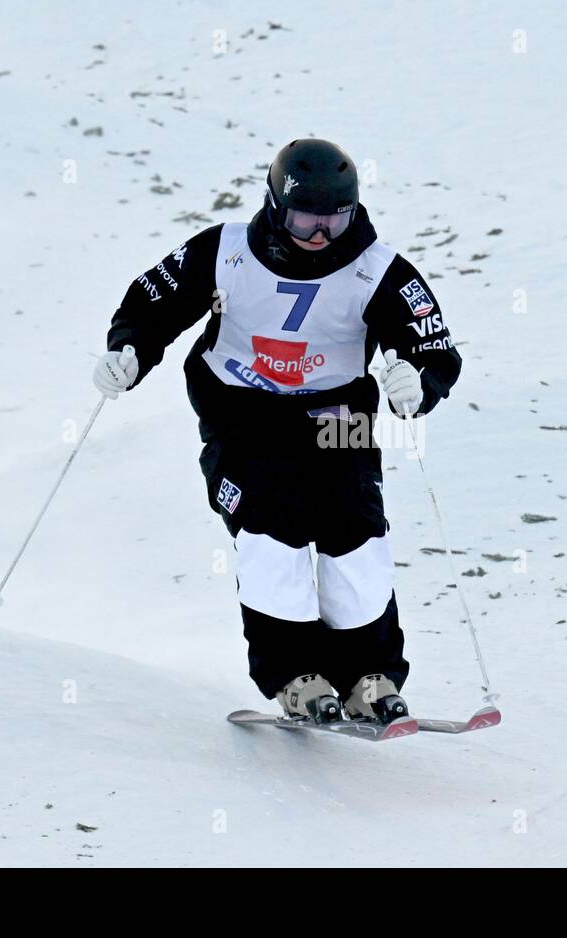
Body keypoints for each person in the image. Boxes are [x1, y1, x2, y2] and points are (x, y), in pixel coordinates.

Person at [93, 138, 461, 724]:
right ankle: (296, 674)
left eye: (335, 220)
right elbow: (153, 300)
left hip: (335, 413)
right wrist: (130, 351)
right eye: (305, 219)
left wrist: (418, 380)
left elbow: (431, 344)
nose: (320, 236)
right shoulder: (226, 250)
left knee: (354, 525)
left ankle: (370, 676)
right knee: (271, 523)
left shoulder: (378, 269)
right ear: (275, 206)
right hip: (244, 410)